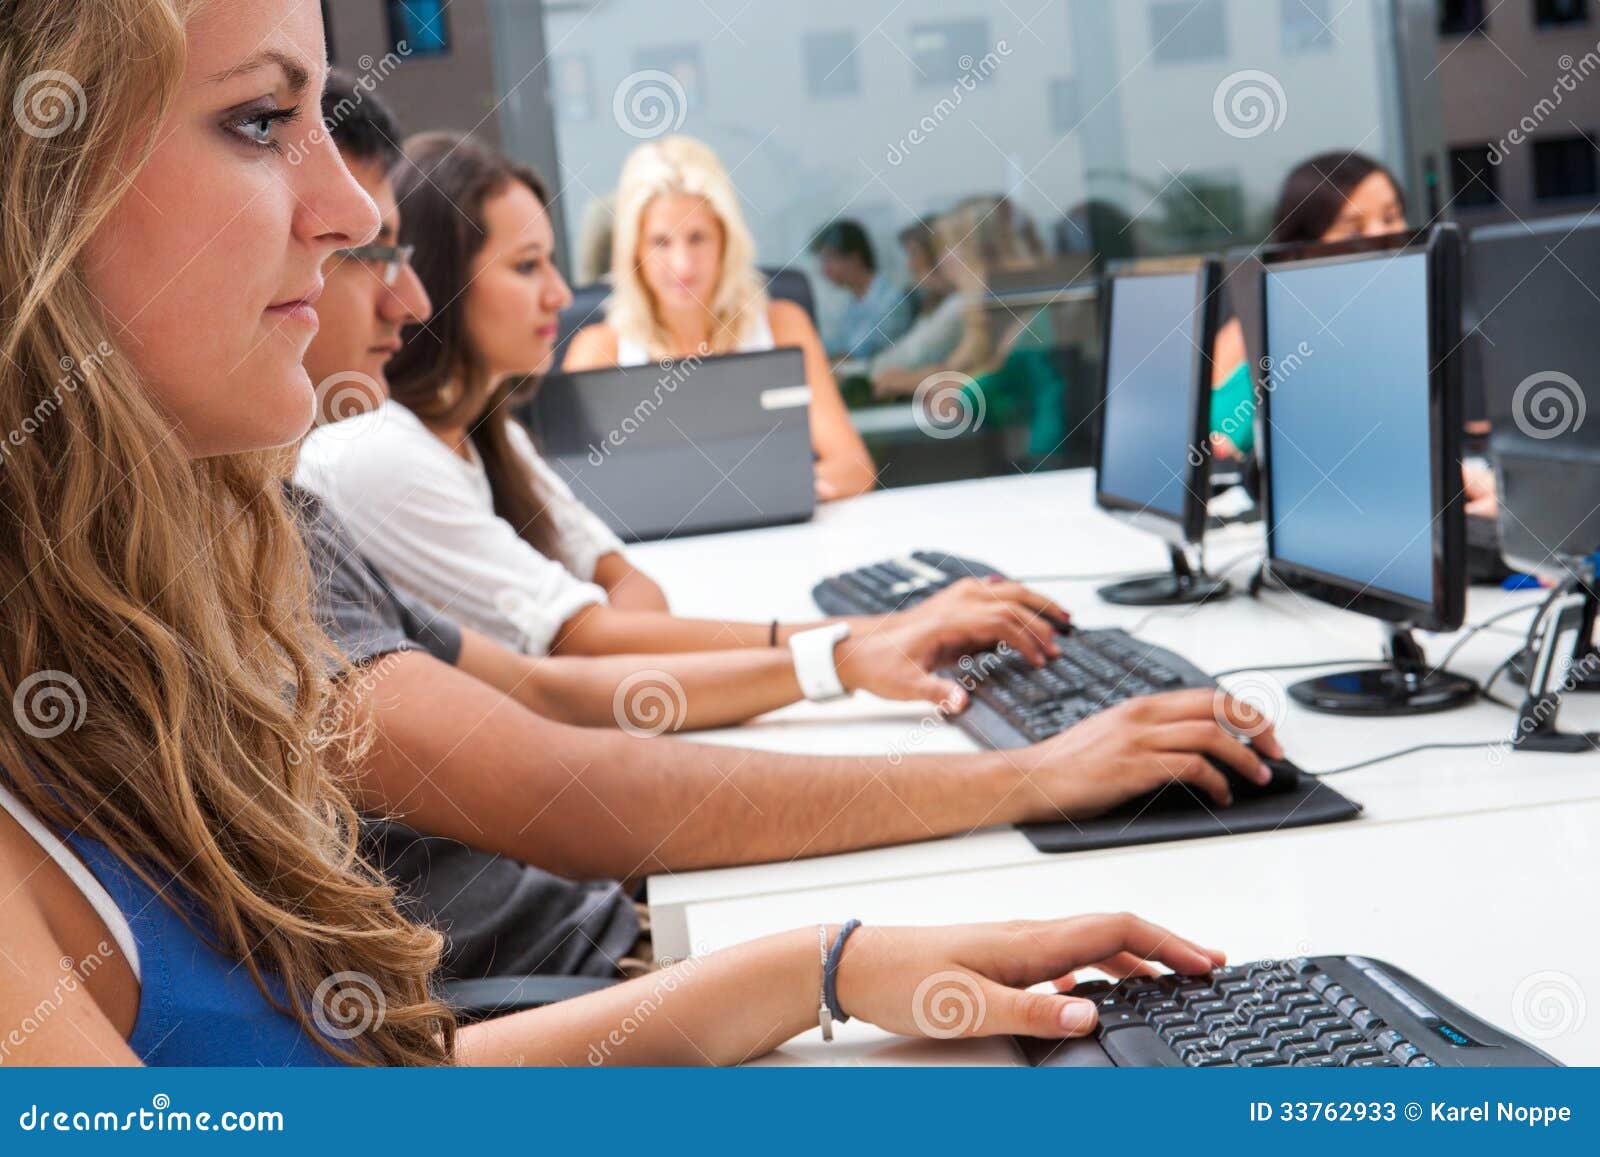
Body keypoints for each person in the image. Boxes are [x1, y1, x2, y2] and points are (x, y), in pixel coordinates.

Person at [0, 0, 1258, 1068]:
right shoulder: (302, 509)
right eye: (260, 121)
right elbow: (559, 767)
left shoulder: (199, 574)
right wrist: (1013, 775)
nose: (347, 229)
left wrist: (823, 964)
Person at [564, 135, 876, 500]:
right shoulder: (599, 352)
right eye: (661, 242)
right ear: (634, 251)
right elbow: (565, 496)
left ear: (725, 241)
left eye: (698, 238)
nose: (682, 265)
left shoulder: (783, 327)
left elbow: (853, 467)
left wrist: (762, 495)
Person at [1209, 153, 1410, 461]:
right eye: (1353, 229)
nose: (1382, 236)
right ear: (1305, 246)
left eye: (1391, 217)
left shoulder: (1402, 326)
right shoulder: (1268, 326)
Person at [810, 219, 912, 360]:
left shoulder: (890, 301)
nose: (825, 270)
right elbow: (839, 345)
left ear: (854, 258)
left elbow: (860, 353)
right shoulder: (854, 302)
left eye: (829, 260)